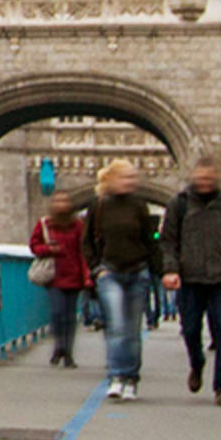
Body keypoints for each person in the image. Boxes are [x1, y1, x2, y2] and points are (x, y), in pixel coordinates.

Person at [160, 158, 221, 403]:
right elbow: (168, 241)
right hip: (190, 278)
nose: (205, 182)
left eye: (210, 177)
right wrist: (170, 269)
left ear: (215, 178)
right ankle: (197, 363)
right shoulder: (179, 203)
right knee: (190, 330)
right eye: (201, 177)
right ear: (193, 176)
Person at [84, 160, 162, 401]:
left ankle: (131, 378)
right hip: (110, 272)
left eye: (132, 177)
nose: (130, 182)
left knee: (132, 330)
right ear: (111, 178)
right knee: (117, 325)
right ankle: (117, 376)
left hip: (137, 271)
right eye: (125, 177)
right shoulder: (98, 206)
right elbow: (87, 242)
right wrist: (96, 269)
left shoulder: (138, 205)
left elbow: (150, 241)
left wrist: (163, 272)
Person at [28, 189, 92, 370]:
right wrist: (49, 249)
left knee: (70, 316)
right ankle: (59, 346)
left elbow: (83, 251)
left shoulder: (78, 225)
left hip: (74, 276)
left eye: (65, 201)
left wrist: (86, 276)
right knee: (57, 312)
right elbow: (34, 246)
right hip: (54, 276)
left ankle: (68, 353)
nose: (62, 205)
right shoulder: (45, 224)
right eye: (58, 201)